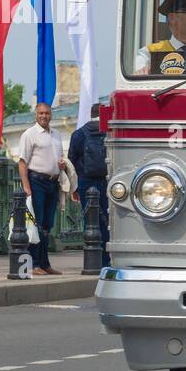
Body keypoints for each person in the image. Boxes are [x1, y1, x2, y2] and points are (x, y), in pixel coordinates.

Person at [17, 102, 68, 276]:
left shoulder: (56, 134)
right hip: (36, 181)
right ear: (36, 115)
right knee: (36, 224)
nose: (44, 116)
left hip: (53, 182)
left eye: (47, 113)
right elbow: (22, 162)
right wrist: (26, 186)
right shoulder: (29, 134)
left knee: (48, 224)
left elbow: (58, 158)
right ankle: (34, 264)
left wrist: (61, 164)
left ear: (50, 115)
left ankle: (45, 263)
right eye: (41, 113)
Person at [68, 102, 110, 269]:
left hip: (86, 183)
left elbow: (71, 160)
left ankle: (91, 261)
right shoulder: (109, 132)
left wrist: (75, 187)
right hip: (106, 181)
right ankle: (106, 260)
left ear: (90, 114)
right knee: (107, 222)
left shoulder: (79, 134)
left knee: (89, 222)